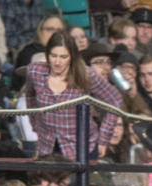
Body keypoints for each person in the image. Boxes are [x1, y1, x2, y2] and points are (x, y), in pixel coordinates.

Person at [25, 31, 122, 160]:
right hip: (47, 146)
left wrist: (104, 138)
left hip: (81, 148)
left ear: (72, 56)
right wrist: (35, 125)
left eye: (63, 57)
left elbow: (114, 98)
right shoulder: (35, 71)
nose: (57, 62)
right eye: (53, 56)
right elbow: (30, 97)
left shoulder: (86, 74)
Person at [11, 14, 64, 90]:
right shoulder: (28, 52)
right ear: (40, 32)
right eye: (50, 29)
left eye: (59, 30)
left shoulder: (69, 53)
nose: (54, 33)